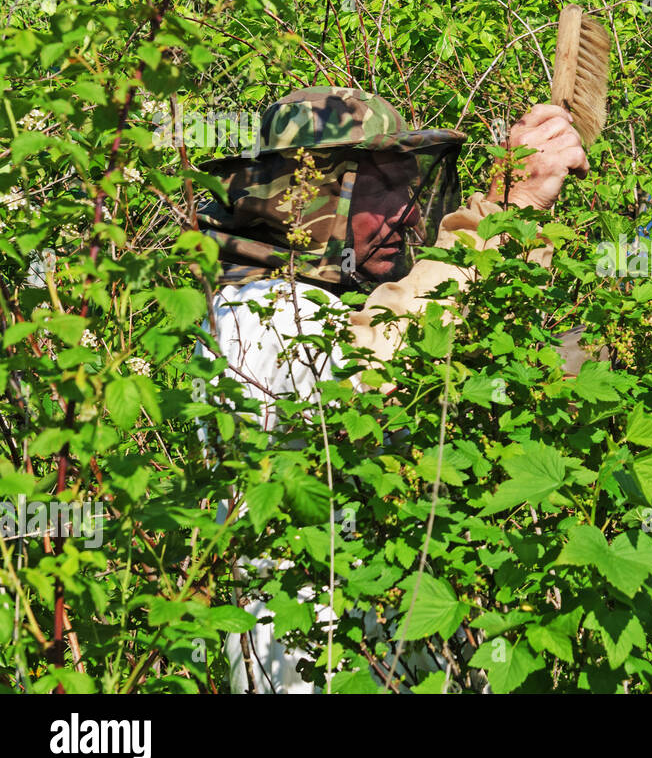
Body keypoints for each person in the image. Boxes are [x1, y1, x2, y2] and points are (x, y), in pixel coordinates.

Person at [194, 86, 589, 692]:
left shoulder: (337, 302)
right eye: (381, 189)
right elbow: (380, 366)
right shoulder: (253, 314)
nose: (404, 212)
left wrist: (526, 233)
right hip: (323, 671)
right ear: (308, 198)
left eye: (409, 189)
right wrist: (500, 213)